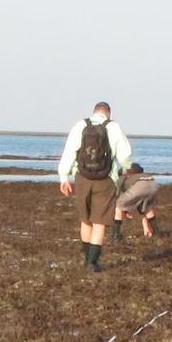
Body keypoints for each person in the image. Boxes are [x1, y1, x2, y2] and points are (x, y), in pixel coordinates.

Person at [56, 101, 132, 271]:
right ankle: (92, 262)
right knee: (99, 222)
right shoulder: (114, 127)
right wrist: (127, 169)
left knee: (85, 220)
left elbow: (69, 152)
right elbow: (125, 155)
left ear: (94, 112)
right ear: (109, 113)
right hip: (106, 179)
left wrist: (64, 177)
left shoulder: (80, 126)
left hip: (82, 177)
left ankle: (86, 257)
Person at [113, 162, 159, 239]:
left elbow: (118, 194)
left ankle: (116, 235)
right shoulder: (143, 174)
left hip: (140, 186)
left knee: (118, 205)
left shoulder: (122, 177)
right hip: (153, 184)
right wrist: (145, 227)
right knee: (147, 208)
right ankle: (157, 232)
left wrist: (125, 211)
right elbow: (141, 209)